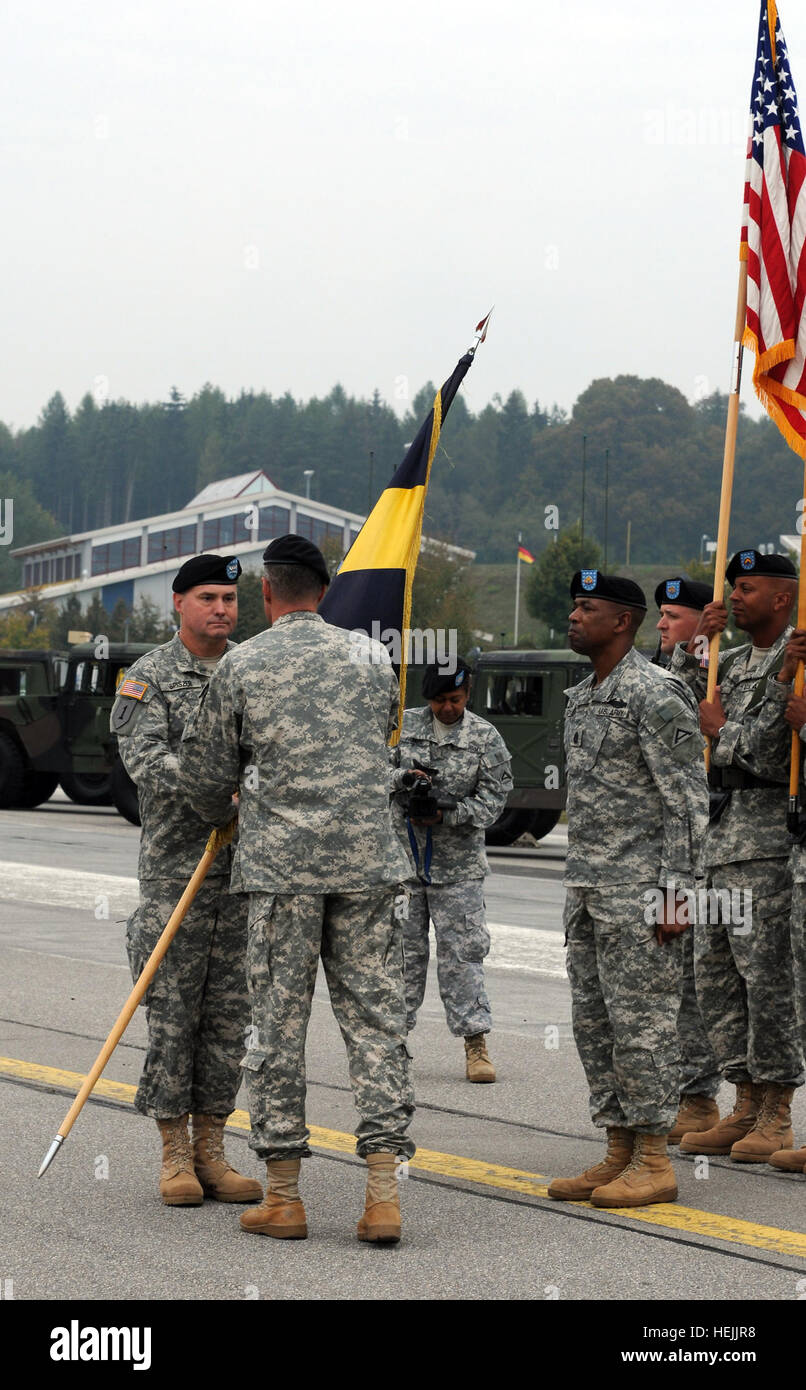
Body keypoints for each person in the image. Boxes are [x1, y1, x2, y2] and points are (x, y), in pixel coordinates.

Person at [178, 534, 415, 1245]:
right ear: (325, 591)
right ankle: (382, 1196)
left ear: (266, 592)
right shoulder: (372, 657)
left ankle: (284, 1197)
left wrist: (226, 811)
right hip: (368, 865)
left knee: (278, 1027)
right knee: (376, 1024)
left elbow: (204, 774)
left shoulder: (244, 662)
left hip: (283, 873)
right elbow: (381, 738)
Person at [548, 570, 708, 1209]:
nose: (574, 616)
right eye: (574, 607)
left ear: (623, 622)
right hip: (589, 891)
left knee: (644, 1027)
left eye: (587, 608)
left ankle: (654, 1160)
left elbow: (686, 801)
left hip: (642, 895)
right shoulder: (583, 696)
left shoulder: (655, 693)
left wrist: (678, 893)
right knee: (596, 1026)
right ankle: (618, 1148)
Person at [110, 553, 261, 1208]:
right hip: (178, 874)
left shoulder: (252, 670)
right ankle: (174, 1151)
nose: (221, 609)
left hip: (243, 874)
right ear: (179, 603)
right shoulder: (149, 677)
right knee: (174, 1015)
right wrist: (218, 794)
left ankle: (212, 1149)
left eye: (229, 598)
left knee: (229, 1018)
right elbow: (146, 760)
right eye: (207, 597)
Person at [670, 549, 805, 1162]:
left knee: (766, 981)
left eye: (747, 588)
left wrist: (721, 733)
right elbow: (676, 707)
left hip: (766, 844)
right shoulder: (730, 657)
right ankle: (744, 1100)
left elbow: (772, 754)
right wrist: (697, 641)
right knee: (716, 979)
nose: (734, 598)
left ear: (782, 598)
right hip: (718, 841)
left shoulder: (793, 658)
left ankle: (777, 1110)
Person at [390, 657, 513, 1082]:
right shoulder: (401, 727)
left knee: (463, 957)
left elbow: (494, 802)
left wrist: (450, 813)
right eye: (440, 700)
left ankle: (476, 1045)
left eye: (456, 700)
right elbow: (370, 773)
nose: (448, 708)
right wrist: (402, 779)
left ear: (468, 695)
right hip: (403, 866)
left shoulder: (484, 737)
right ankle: (392, 1045)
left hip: (458, 870)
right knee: (401, 958)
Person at [651, 577, 722, 1144]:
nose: (661, 624)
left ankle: (701, 1097)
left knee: (697, 982)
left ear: (702, 622)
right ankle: (676, 1092)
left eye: (673, 616)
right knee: (664, 983)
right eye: (660, 615)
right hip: (653, 851)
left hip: (702, 849)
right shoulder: (656, 672)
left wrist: (701, 650)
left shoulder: (718, 669)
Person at [652, 577, 713, 669]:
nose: (660, 625)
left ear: (704, 624)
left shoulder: (719, 673)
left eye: (672, 616)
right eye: (662, 615)